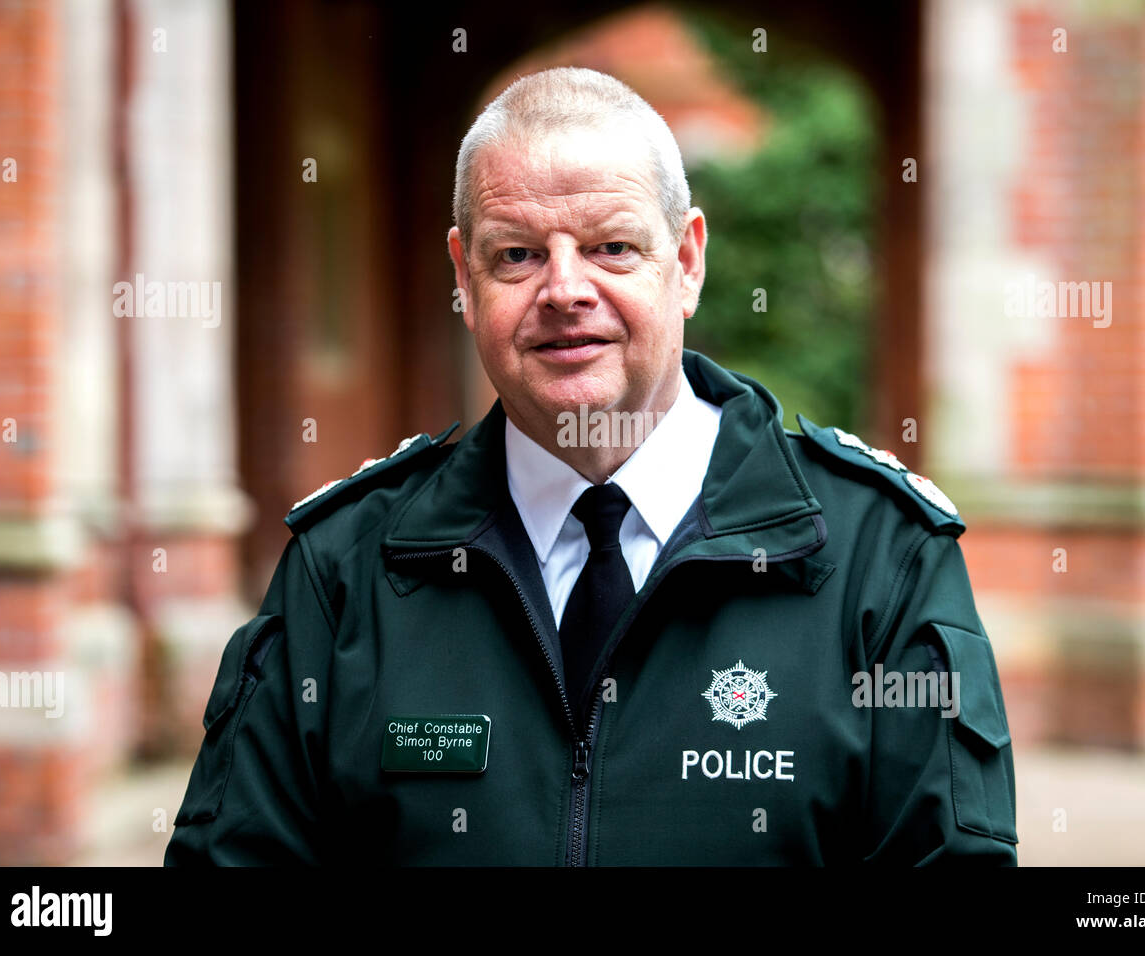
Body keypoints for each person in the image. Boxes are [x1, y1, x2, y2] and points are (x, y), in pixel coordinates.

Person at [165, 66, 1018, 866]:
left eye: (611, 247)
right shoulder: (343, 573)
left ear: (686, 260)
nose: (564, 291)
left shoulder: (880, 561)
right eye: (517, 255)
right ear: (464, 278)